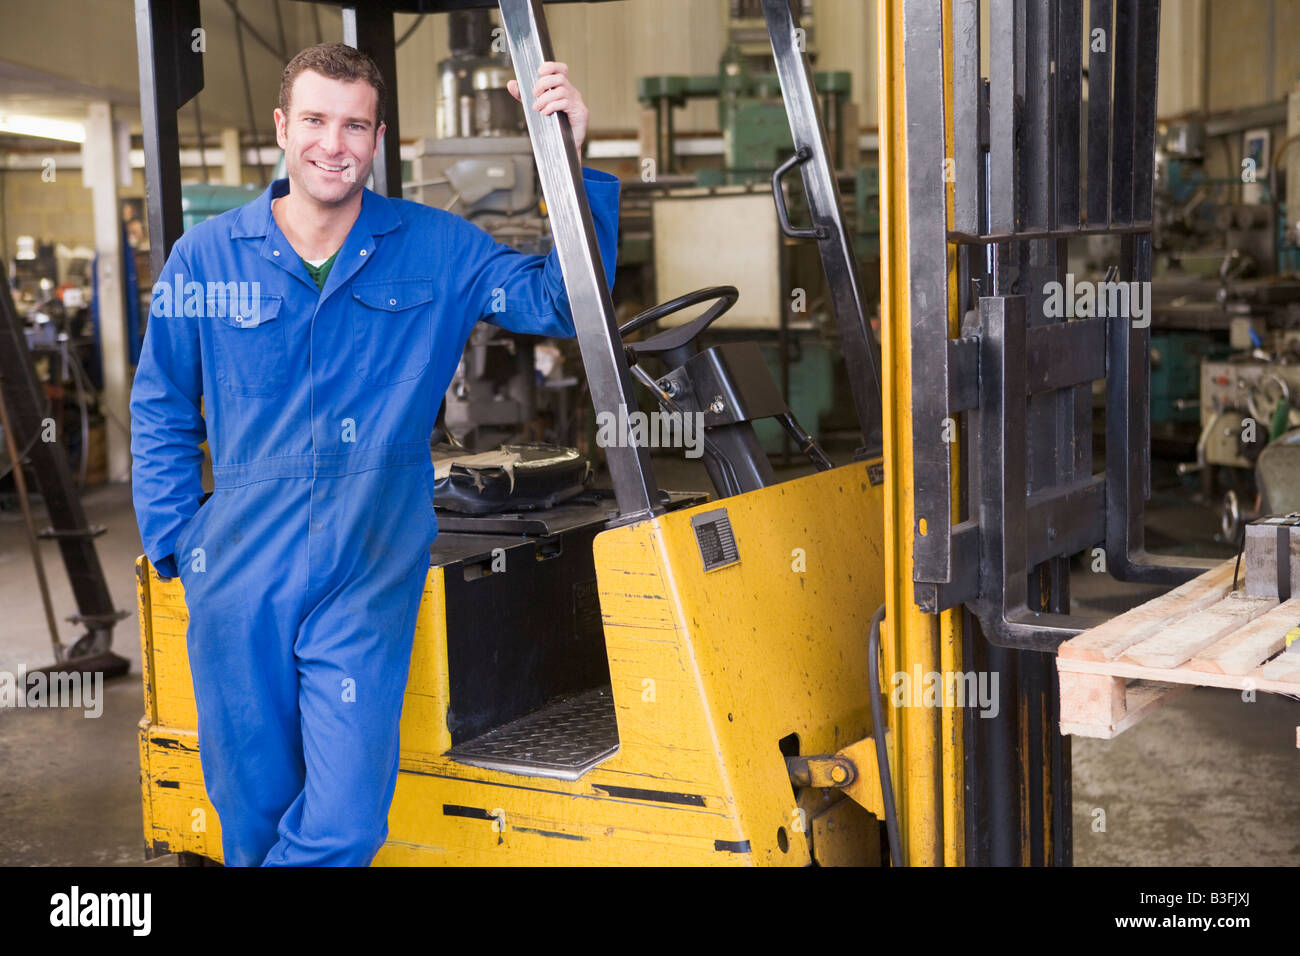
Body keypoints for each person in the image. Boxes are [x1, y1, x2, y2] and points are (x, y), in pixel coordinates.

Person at [129, 42, 617, 866]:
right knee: (250, 815)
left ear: (378, 136)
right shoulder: (207, 258)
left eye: (355, 125)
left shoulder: (436, 247)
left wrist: (572, 161)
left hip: (368, 563)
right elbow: (161, 405)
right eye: (315, 119)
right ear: (283, 127)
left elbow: (563, 303)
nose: (334, 143)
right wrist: (179, 543)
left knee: (347, 820)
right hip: (240, 567)